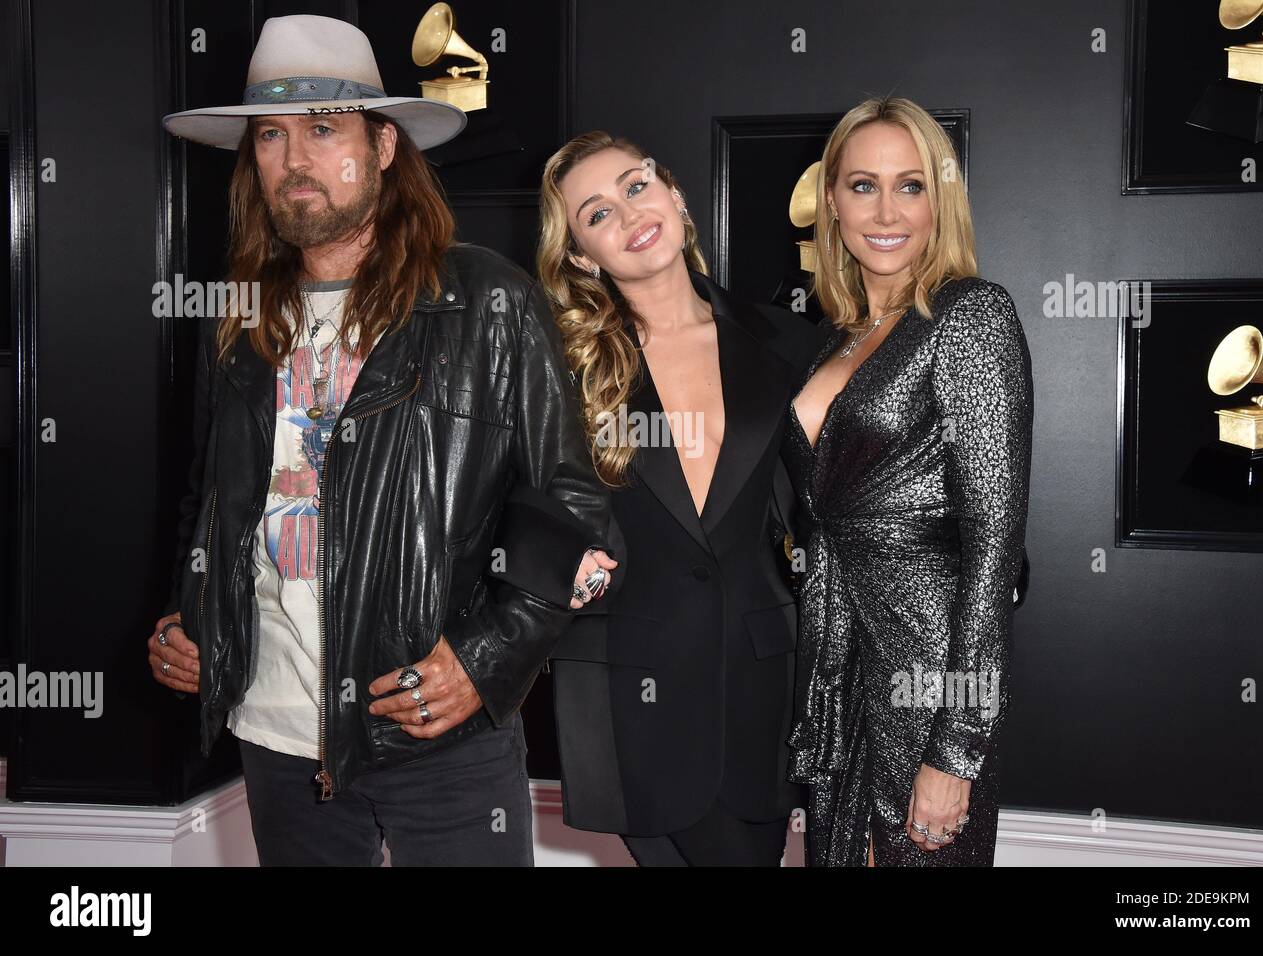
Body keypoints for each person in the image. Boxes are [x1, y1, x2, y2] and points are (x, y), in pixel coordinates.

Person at [145, 14, 612, 866]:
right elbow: (211, 499)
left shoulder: (487, 302)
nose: (296, 160)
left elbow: (574, 511)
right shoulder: (240, 317)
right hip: (274, 732)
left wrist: (483, 658)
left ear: (385, 145)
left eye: (325, 130)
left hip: (436, 733)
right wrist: (193, 611)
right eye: (273, 136)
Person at [536, 131, 827, 866]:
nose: (629, 214)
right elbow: (503, 509)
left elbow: (832, 504)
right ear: (578, 255)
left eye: (635, 186)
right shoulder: (557, 366)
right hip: (627, 698)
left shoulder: (789, 341)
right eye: (595, 213)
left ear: (674, 194)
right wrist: (556, 563)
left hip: (760, 691)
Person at [783, 96, 1034, 866]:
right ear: (831, 200)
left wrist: (957, 749)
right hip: (836, 666)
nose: (885, 210)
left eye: (911, 185)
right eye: (863, 186)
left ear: (941, 199)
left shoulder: (971, 316)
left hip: (928, 677)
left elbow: (994, 551)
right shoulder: (834, 335)